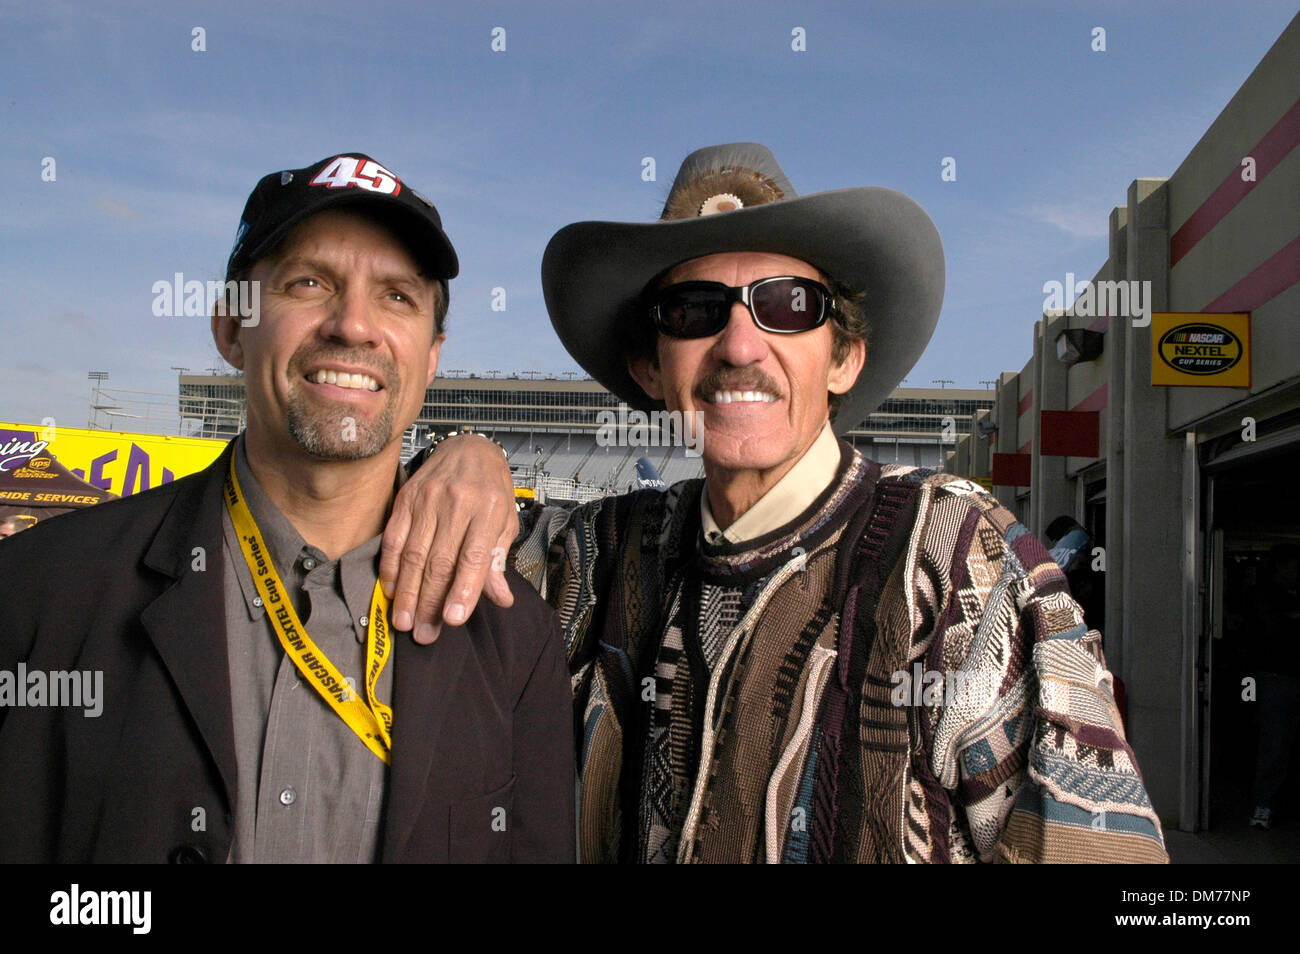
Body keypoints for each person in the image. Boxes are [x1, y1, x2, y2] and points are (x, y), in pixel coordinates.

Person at [386, 143, 1168, 863]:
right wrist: (463, 455)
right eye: (694, 311)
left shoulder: (962, 557)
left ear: (844, 358)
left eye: (789, 305)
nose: (738, 344)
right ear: (651, 369)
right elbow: (344, 512)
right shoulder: (590, 554)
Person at [0, 153, 574, 863]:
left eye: (397, 296)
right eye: (309, 282)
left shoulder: (516, 638)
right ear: (229, 329)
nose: (353, 326)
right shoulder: (42, 591)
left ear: (432, 358)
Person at [1247, 543, 1300, 829]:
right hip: (1275, 679)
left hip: (1286, 677)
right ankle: (1263, 804)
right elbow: (1271, 627)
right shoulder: (1266, 596)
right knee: (1275, 743)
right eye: (1291, 566)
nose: (1295, 572)